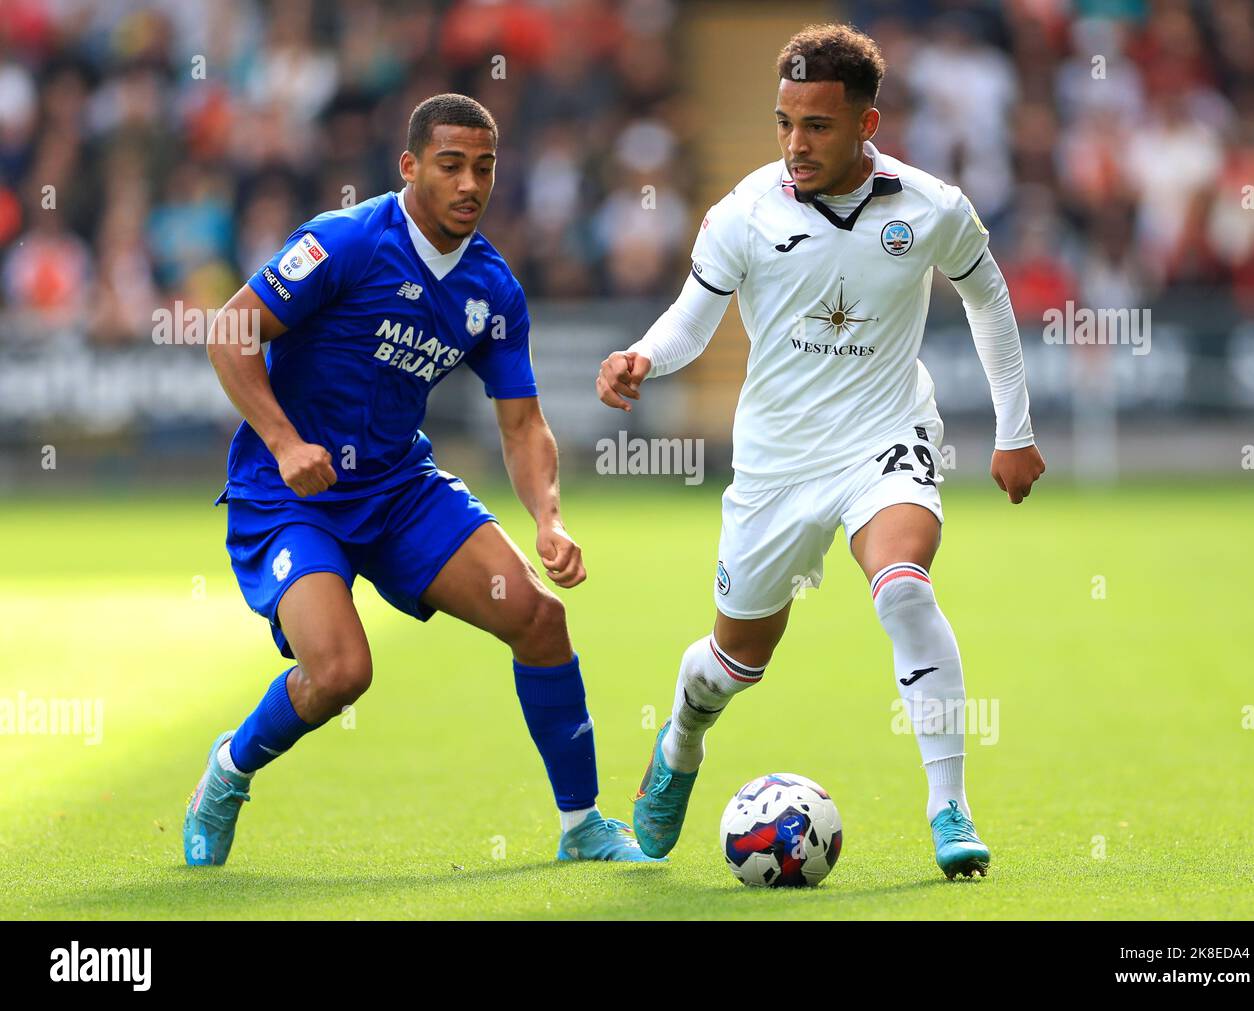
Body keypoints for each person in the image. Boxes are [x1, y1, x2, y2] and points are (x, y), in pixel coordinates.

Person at [596, 25, 1045, 879]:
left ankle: (948, 804)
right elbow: (694, 319)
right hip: (777, 462)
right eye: (784, 123)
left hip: (886, 436)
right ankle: (681, 738)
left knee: (905, 587)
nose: (796, 144)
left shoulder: (930, 206)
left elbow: (988, 297)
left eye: (818, 126)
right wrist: (643, 357)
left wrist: (1014, 429)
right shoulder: (745, 212)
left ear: (867, 124)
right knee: (733, 665)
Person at [185, 93, 656, 866]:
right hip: (293, 494)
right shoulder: (345, 242)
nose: (470, 184)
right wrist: (284, 439)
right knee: (340, 672)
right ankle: (229, 771)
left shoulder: (493, 288)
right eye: (451, 166)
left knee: (538, 617)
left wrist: (549, 519)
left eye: (484, 168)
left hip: (400, 488)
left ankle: (583, 826)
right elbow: (230, 331)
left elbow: (523, 423)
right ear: (409, 167)